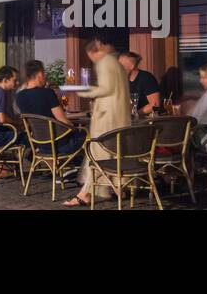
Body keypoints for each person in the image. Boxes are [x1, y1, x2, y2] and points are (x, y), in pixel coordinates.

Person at [65, 38, 130, 206]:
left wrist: (83, 91)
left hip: (107, 116)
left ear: (96, 51)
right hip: (119, 117)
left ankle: (85, 193)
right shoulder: (117, 63)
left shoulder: (104, 62)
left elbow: (106, 88)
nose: (92, 61)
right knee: (112, 152)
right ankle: (115, 188)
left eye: (91, 56)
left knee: (98, 152)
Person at [15, 60, 86, 155]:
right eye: (44, 73)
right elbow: (63, 120)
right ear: (40, 74)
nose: (46, 76)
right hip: (59, 142)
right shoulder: (48, 93)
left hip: (38, 143)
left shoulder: (19, 96)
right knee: (85, 135)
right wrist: (76, 130)